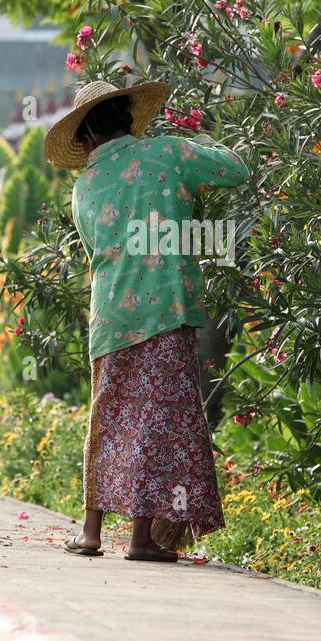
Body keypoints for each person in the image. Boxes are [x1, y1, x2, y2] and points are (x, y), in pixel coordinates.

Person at [43, 79, 249, 562]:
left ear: (88, 137)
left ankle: (91, 532)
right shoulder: (171, 154)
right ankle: (140, 539)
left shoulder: (84, 187)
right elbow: (236, 171)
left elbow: (98, 252)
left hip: (111, 315)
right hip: (167, 308)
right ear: (128, 119)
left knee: (109, 416)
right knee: (159, 421)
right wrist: (199, 139)